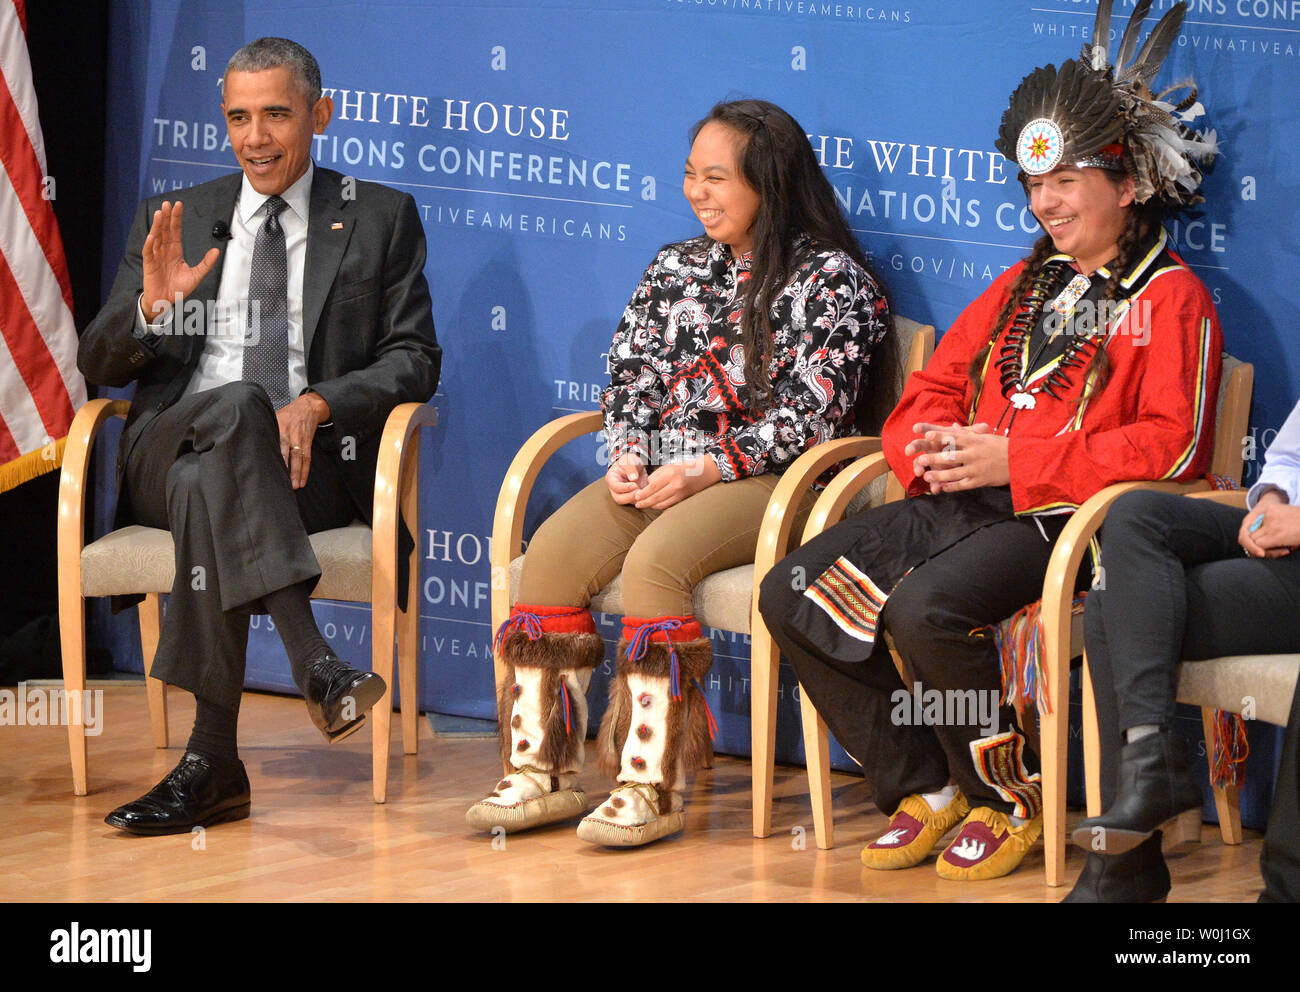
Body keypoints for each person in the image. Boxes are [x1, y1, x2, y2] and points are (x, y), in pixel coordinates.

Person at [759, 0, 1222, 882]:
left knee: (925, 613)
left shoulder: (1171, 299)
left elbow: (1175, 448)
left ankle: (1005, 794)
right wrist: (922, 447)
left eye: (1065, 183)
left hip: (1061, 525)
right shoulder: (1031, 282)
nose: (1044, 202)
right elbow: (935, 383)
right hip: (960, 501)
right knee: (793, 591)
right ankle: (923, 785)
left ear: (1127, 189)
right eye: (1033, 187)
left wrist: (1023, 463)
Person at [466, 99, 891, 847]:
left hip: (771, 481)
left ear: (771, 181)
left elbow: (812, 419)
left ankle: (648, 783)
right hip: (666, 467)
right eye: (690, 174)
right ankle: (544, 771)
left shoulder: (834, 282)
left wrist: (708, 468)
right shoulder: (675, 266)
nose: (697, 192)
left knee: (658, 561)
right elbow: (632, 377)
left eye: (717, 177)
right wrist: (630, 449)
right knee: (555, 555)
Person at [77, 37, 440, 834]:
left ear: (321, 114)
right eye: (239, 117)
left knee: (216, 481)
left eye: (277, 114)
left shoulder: (379, 216)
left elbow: (414, 359)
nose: (256, 138)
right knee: (238, 404)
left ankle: (212, 765)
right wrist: (153, 309)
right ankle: (315, 660)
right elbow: (96, 359)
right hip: (164, 449)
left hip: (304, 469)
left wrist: (316, 404)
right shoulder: (177, 218)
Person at [1067, 399, 1300, 902]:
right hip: (1280, 537)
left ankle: (1123, 871)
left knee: (1113, 603)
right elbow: (1289, 458)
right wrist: (1273, 501)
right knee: (1136, 514)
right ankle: (1151, 766)